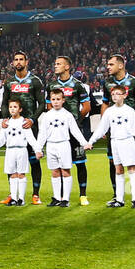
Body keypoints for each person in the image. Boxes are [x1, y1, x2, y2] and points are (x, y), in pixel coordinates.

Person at [85, 84, 135, 208]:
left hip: (127, 141)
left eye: (117, 94)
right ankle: (119, 199)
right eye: (112, 94)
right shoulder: (109, 111)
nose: (114, 96)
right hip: (115, 142)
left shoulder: (129, 110)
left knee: (132, 169)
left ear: (124, 95)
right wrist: (90, 141)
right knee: (118, 170)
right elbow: (101, 128)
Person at [101, 54, 135, 204]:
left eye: (110, 64)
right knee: (114, 162)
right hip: (114, 129)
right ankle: (117, 195)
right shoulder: (107, 83)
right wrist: (104, 125)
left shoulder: (134, 82)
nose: (108, 67)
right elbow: (105, 103)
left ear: (120, 65)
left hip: (130, 131)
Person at [1, 51, 45, 203]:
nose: (18, 62)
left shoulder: (35, 81)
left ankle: (35, 194)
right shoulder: (9, 82)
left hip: (30, 126)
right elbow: (4, 103)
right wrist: (5, 119)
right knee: (12, 161)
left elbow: (42, 104)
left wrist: (32, 119)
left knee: (34, 161)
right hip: (13, 127)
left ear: (27, 62)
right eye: (16, 60)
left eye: (21, 59)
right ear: (13, 63)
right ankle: (13, 195)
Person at [37, 87, 91, 207]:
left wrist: (84, 143)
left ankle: (65, 199)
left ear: (63, 100)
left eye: (58, 99)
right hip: (51, 145)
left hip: (64, 144)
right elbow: (42, 133)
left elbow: (75, 131)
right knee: (55, 172)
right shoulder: (47, 116)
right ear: (50, 100)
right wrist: (38, 148)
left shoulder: (68, 115)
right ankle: (56, 197)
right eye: (53, 99)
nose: (55, 101)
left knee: (65, 171)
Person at [49, 55, 93, 206]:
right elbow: (49, 107)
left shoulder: (77, 85)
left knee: (80, 162)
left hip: (75, 132)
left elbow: (87, 107)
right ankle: (60, 196)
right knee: (59, 166)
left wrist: (75, 121)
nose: (55, 66)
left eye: (59, 64)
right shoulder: (52, 85)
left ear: (67, 67)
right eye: (55, 64)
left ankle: (83, 195)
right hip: (58, 132)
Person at [0, 97, 39, 206]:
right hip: (10, 151)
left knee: (21, 174)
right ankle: (14, 198)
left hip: (21, 150)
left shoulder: (24, 122)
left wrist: (37, 150)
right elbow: (0, 139)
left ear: (20, 109)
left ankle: (21, 199)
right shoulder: (7, 123)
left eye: (15, 107)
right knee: (12, 175)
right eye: (10, 107)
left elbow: (31, 139)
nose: (12, 109)